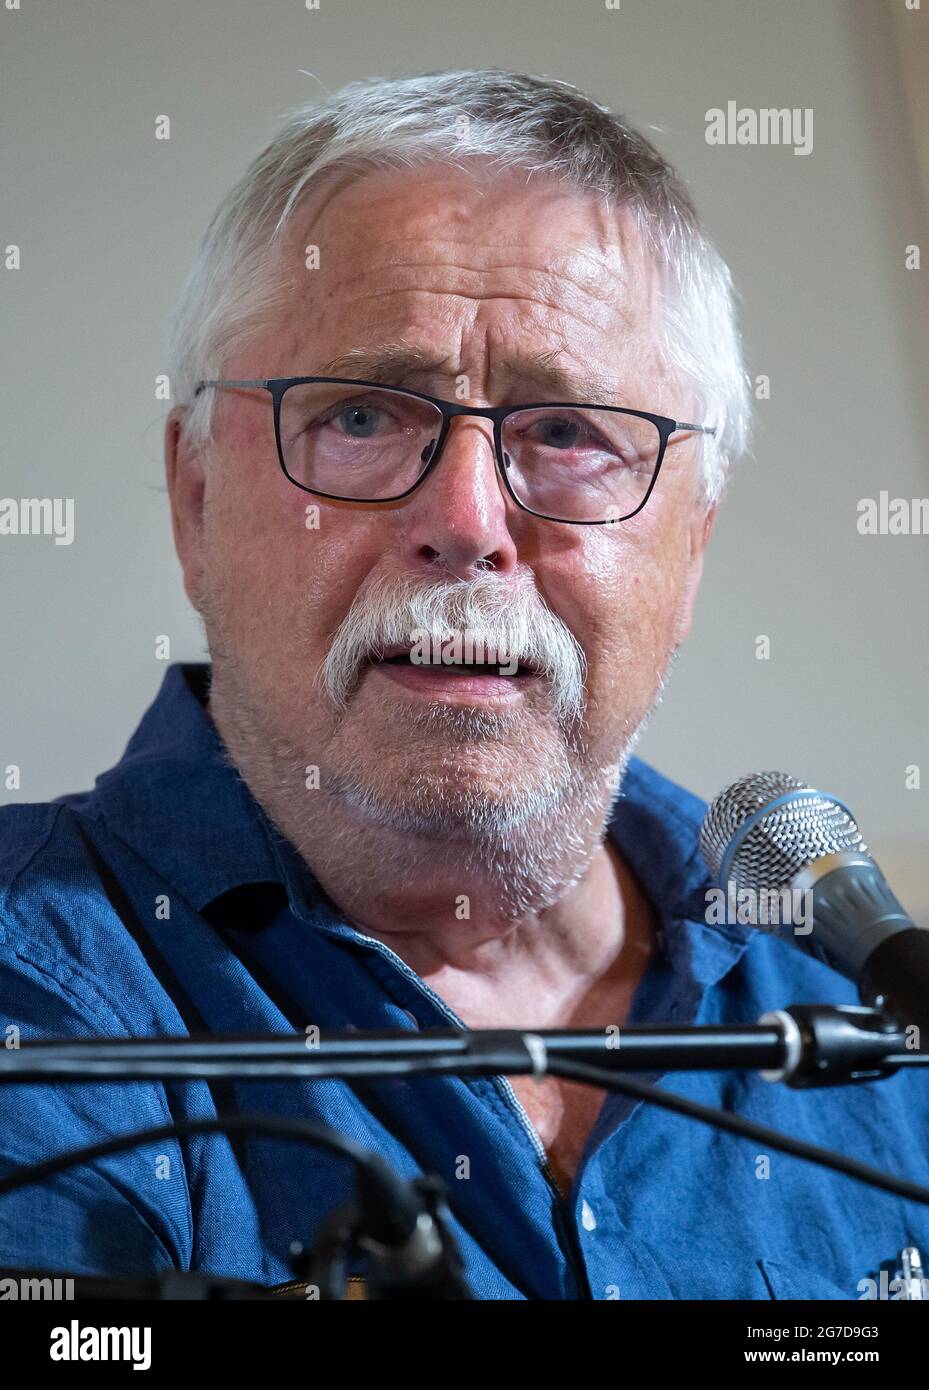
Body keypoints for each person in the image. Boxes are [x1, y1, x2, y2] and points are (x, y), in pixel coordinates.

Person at [2, 68, 925, 1300]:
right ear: (196, 502)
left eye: (566, 432)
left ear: (689, 547)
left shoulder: (865, 1025)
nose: (466, 520)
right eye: (364, 419)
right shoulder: (36, 997)